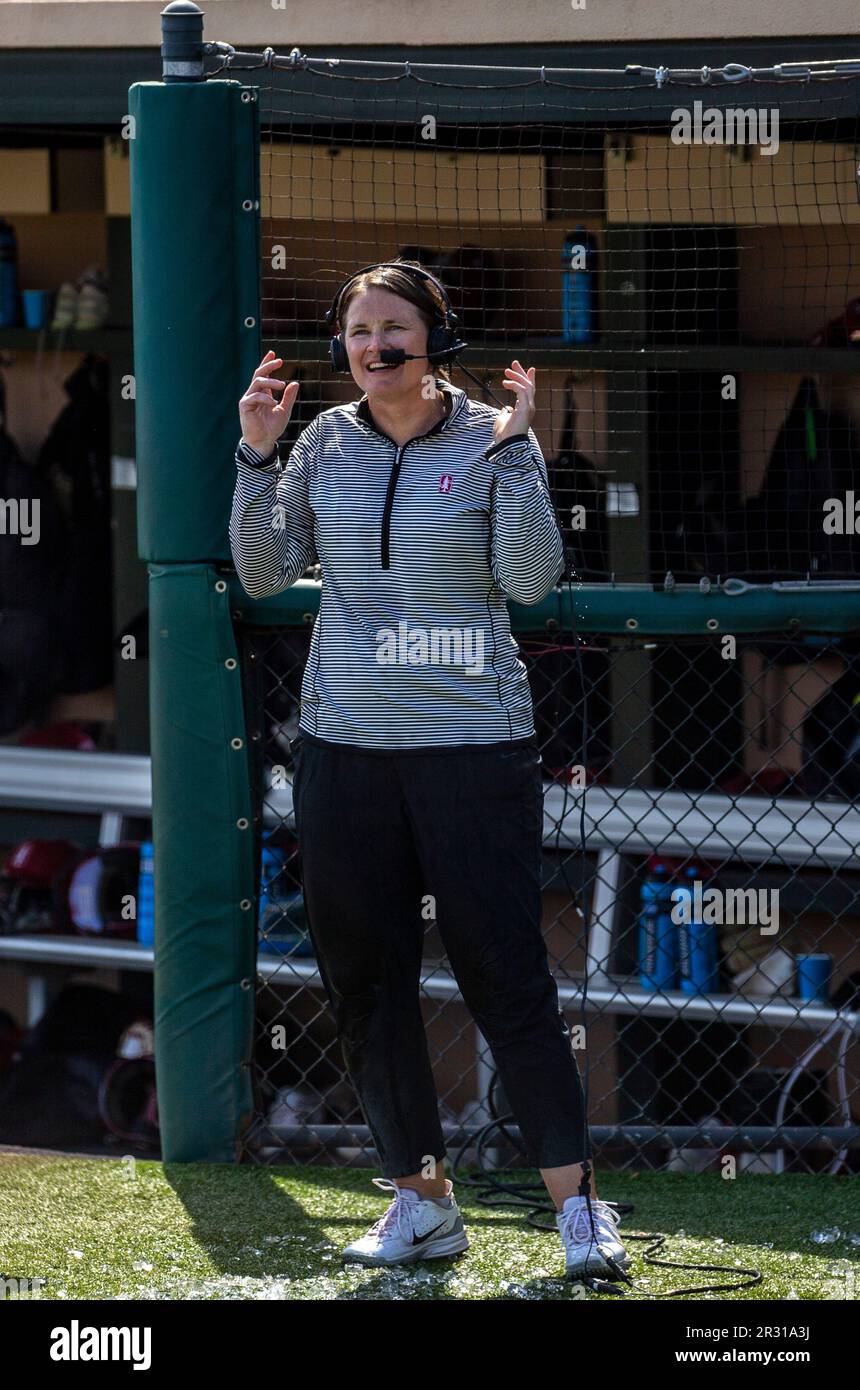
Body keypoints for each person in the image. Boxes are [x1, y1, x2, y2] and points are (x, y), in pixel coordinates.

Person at [229, 260, 629, 1280]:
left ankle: (578, 1211)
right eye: (358, 333)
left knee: (506, 976)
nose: (374, 349)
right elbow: (265, 570)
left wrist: (521, 449)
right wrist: (254, 453)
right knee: (365, 983)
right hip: (343, 754)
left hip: (470, 754)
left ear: (433, 338)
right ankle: (421, 1203)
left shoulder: (488, 437)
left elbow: (532, 581)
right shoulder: (319, 441)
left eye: (393, 330)